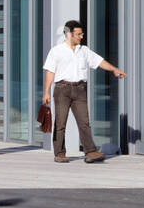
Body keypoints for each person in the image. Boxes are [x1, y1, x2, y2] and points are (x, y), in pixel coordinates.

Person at [43, 20, 125, 163]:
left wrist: (114, 69)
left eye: (82, 34)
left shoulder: (84, 50)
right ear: (68, 34)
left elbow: (99, 61)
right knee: (61, 122)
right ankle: (59, 153)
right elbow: (50, 72)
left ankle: (90, 152)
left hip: (80, 89)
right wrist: (46, 92)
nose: (81, 36)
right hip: (62, 89)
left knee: (84, 122)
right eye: (78, 34)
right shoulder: (56, 51)